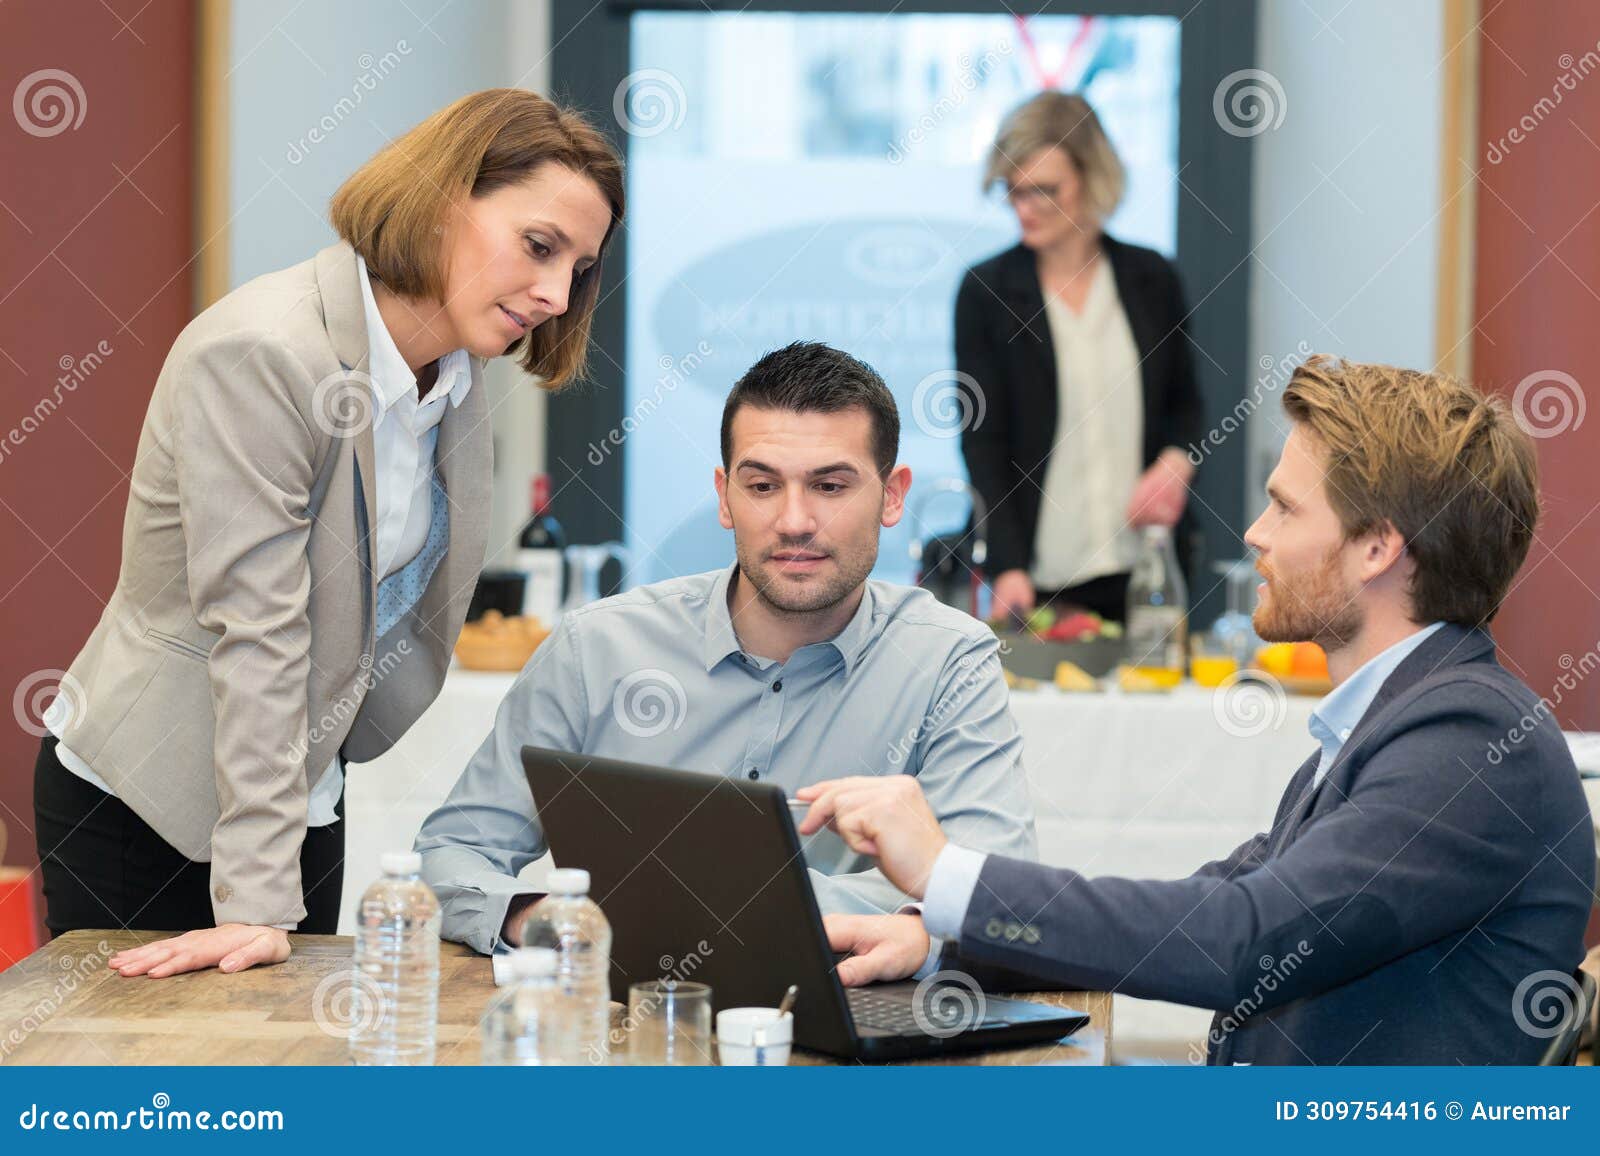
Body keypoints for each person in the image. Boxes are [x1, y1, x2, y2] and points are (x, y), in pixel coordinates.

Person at [801, 356, 1596, 1065]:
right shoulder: (1398, 723)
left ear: (1377, 548)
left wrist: (946, 872)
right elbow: (1204, 908)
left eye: (1285, 509)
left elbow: (1246, 938)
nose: (1255, 533)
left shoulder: (1469, 742)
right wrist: (939, 942)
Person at [35, 89, 624, 979]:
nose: (555, 294)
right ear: (440, 199)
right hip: (148, 797)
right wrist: (258, 902)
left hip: (299, 787)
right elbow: (260, 633)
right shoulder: (265, 354)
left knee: (289, 1052)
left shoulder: (453, 377)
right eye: (539, 246)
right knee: (166, 1064)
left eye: (579, 269)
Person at [414, 342, 1037, 955]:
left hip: (854, 1008)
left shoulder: (948, 662)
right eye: (762, 486)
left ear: (893, 495)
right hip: (626, 1007)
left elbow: (998, 900)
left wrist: (676, 911)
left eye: (829, 486)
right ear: (724, 496)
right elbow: (451, 856)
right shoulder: (596, 648)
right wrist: (543, 919)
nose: (794, 521)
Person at [956, 92, 1204, 623]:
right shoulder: (986, 292)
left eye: (1044, 190)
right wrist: (1007, 565)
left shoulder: (1153, 279)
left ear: (1094, 179)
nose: (1023, 208)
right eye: (1012, 190)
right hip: (1036, 580)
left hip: (1145, 573)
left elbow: (1185, 406)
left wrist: (1176, 462)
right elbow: (983, 443)